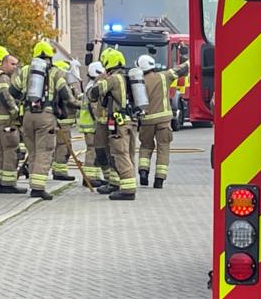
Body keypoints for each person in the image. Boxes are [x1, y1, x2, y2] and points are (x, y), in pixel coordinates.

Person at [9, 41, 79, 200]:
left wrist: (25, 100)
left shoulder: (25, 70)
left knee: (33, 151)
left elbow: (12, 91)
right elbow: (66, 95)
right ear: (49, 57)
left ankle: (34, 183)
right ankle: (38, 188)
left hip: (27, 116)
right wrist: (79, 105)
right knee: (44, 151)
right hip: (46, 117)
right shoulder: (55, 72)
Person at [89, 48, 138, 200]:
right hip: (128, 121)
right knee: (125, 153)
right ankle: (119, 184)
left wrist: (100, 79)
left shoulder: (114, 79)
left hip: (119, 123)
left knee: (120, 154)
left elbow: (94, 93)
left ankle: (128, 190)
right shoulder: (126, 77)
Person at [136, 54, 189, 189]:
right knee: (163, 148)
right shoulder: (164, 76)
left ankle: (143, 172)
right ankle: (159, 180)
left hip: (146, 121)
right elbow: (181, 69)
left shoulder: (138, 81)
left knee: (145, 147)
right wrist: (192, 59)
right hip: (164, 121)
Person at [0, 46, 25, 194]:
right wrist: (15, 112)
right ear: (4, 63)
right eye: (12, 64)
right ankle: (8, 184)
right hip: (4, 122)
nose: (15, 67)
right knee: (10, 150)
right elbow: (5, 96)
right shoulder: (3, 78)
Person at [77, 61, 107, 187]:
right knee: (92, 151)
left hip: (89, 125)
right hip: (91, 125)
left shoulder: (90, 85)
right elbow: (94, 108)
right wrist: (101, 122)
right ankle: (89, 178)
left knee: (94, 150)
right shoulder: (93, 88)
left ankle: (94, 176)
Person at [51, 60, 77, 182]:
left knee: (62, 147)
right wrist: (82, 105)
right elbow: (70, 101)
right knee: (63, 147)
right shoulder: (61, 86)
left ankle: (58, 170)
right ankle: (60, 172)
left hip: (63, 122)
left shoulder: (59, 84)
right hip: (63, 122)